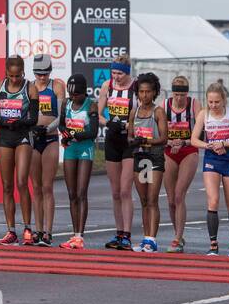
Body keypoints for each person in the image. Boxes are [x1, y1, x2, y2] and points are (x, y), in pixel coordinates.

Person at [191, 83, 229, 256]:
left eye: (217, 102)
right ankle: (213, 243)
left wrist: (224, 144)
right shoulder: (203, 115)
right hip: (212, 159)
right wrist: (209, 146)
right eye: (210, 102)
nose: (213, 106)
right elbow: (194, 140)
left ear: (223, 100)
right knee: (213, 200)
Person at [0, 55, 37, 246]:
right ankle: (11, 230)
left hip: (23, 135)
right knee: (7, 185)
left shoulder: (30, 88)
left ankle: (27, 228)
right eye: (11, 76)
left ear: (23, 72)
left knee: (21, 181)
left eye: (18, 76)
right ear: (6, 73)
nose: (15, 79)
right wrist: (1, 121)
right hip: (5, 136)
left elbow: (33, 118)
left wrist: (19, 122)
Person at [97, 56, 136, 249]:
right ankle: (119, 233)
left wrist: (129, 125)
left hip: (129, 141)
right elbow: (98, 114)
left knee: (125, 190)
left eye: (120, 73)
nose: (116, 77)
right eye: (114, 73)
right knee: (114, 192)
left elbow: (143, 113)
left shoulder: (135, 87)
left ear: (127, 72)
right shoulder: (107, 85)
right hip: (112, 139)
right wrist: (109, 122)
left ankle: (127, 234)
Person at [127, 73, 167, 253]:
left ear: (154, 92)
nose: (144, 95)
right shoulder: (134, 112)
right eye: (141, 92)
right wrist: (133, 140)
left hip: (155, 156)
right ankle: (145, 239)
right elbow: (129, 135)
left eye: (148, 92)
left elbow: (164, 138)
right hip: (140, 157)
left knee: (152, 199)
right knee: (143, 200)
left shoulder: (158, 111)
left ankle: (152, 239)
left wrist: (146, 141)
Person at [57, 73, 99, 250]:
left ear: (84, 93)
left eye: (77, 95)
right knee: (71, 193)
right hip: (70, 149)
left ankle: (80, 236)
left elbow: (93, 132)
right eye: (71, 94)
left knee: (82, 192)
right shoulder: (66, 103)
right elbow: (61, 125)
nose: (73, 97)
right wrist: (66, 135)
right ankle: (74, 235)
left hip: (85, 148)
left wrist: (73, 134)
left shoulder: (91, 105)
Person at [28, 54, 65, 247]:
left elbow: (61, 116)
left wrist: (48, 129)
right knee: (36, 187)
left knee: (47, 186)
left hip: (49, 138)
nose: (42, 78)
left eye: (45, 74)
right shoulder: (29, 87)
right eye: (39, 74)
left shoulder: (57, 86)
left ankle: (48, 232)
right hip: (34, 139)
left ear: (50, 72)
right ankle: (38, 229)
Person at [162, 75, 199, 251]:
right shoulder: (164, 105)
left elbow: (201, 134)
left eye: (181, 95)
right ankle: (179, 236)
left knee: (179, 195)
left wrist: (184, 142)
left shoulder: (193, 105)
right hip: (169, 150)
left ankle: (177, 238)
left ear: (187, 94)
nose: (178, 98)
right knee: (170, 200)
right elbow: (158, 132)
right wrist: (168, 142)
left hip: (188, 150)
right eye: (176, 94)